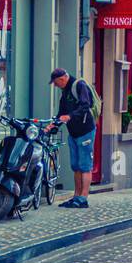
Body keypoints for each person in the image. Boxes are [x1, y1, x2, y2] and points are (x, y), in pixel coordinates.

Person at [50, 68, 97, 209]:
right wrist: (54, 126)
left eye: (56, 82)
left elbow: (85, 106)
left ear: (63, 78)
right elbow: (61, 112)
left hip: (85, 131)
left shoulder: (79, 85)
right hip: (74, 133)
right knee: (76, 166)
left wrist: (70, 116)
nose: (55, 85)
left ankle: (83, 198)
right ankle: (76, 196)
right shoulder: (65, 91)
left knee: (85, 166)